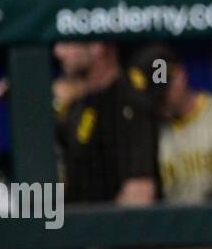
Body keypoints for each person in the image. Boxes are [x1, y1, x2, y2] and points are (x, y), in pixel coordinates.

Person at [128, 45, 212, 203]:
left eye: (162, 94)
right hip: (170, 224)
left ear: (180, 76)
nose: (159, 103)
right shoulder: (149, 128)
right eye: (152, 97)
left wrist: (194, 219)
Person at [52, 40, 159, 205]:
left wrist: (93, 229)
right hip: (74, 223)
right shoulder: (77, 105)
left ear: (97, 46)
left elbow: (139, 192)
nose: (58, 52)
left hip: (111, 227)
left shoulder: (130, 105)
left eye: (68, 43)